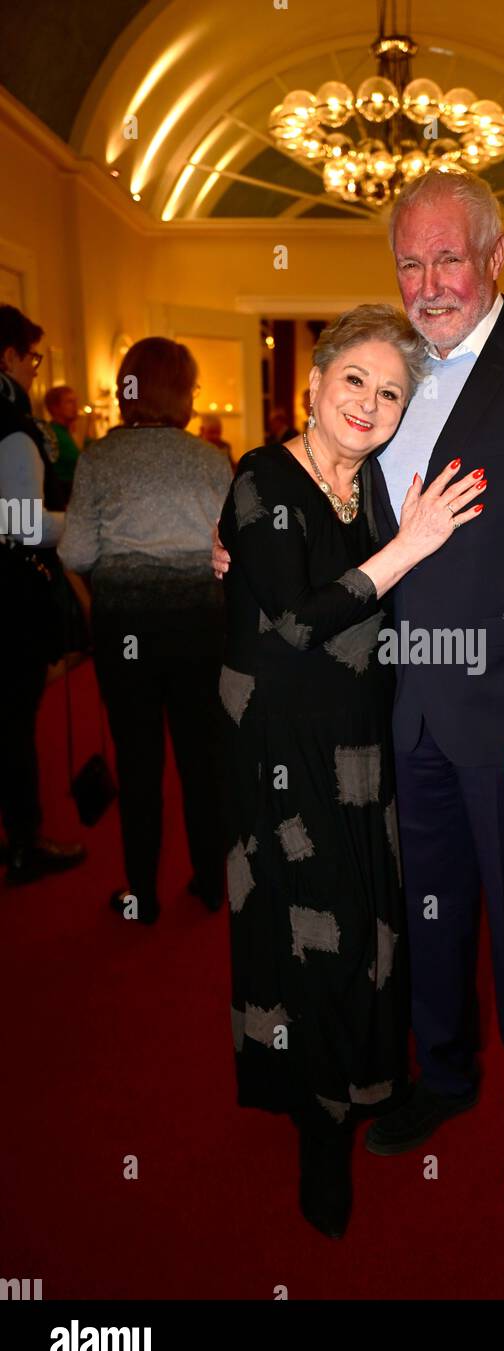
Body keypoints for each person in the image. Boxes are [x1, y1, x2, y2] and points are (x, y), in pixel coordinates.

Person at [215, 169, 504, 1215]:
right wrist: (243, 552)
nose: (430, 280)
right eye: (411, 260)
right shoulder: (387, 372)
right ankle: (442, 1076)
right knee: (424, 914)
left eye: (449, 257)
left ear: (495, 258)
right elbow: (330, 508)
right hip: (393, 712)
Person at [218, 303, 486, 1239]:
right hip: (284, 757)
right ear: (314, 384)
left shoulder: (369, 490)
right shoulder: (260, 478)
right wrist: (411, 548)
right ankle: (317, 1127)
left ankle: (359, 1081)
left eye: (390, 392)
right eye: (354, 382)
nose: (369, 403)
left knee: (367, 920)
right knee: (306, 933)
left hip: (362, 748)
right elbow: (294, 618)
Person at [59, 337, 232, 924]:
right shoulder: (210, 460)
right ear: (183, 393)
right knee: (201, 760)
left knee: (138, 763)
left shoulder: (100, 460)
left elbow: (77, 549)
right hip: (198, 627)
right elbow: (229, 552)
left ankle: (142, 895)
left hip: (125, 629)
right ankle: (211, 883)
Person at [0, 305, 86, 884]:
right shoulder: (11, 427)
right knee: (13, 720)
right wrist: (75, 524)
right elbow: (20, 524)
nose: (34, 370)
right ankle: (25, 843)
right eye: (31, 357)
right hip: (9, 592)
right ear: (8, 356)